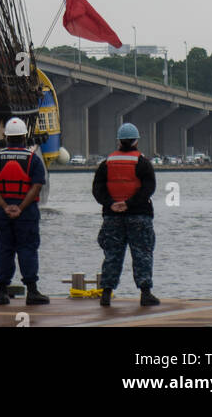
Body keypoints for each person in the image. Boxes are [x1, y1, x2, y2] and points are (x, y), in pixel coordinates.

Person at [92, 122, 160, 307]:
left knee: (112, 255)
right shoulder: (143, 163)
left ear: (119, 141)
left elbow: (97, 189)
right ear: (136, 141)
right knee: (142, 254)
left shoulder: (107, 163)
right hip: (139, 216)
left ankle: (106, 293)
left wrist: (112, 204)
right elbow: (148, 188)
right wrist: (129, 204)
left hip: (112, 217)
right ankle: (145, 294)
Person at [0, 116, 49, 306]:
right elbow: (36, 187)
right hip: (26, 214)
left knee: (3, 250)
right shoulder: (33, 160)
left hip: (1, 214)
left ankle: (2, 292)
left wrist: (5, 207)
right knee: (27, 250)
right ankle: (32, 291)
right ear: (24, 137)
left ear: (6, 137)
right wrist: (20, 208)